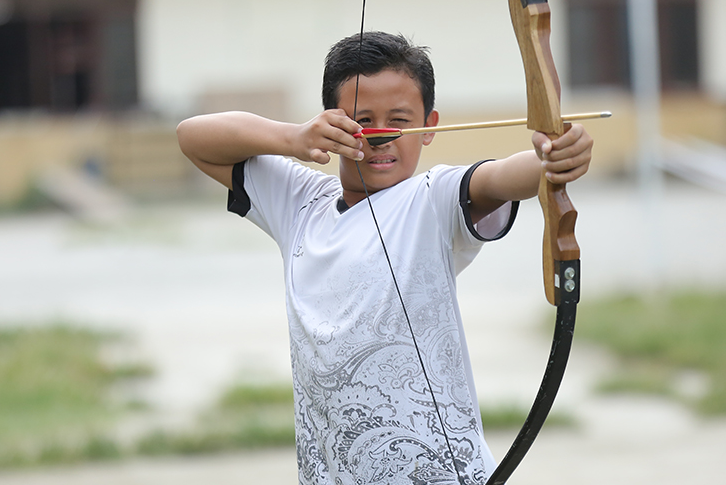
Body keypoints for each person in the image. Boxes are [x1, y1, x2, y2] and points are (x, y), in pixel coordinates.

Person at [177, 31, 592, 485]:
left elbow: (497, 179)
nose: (379, 136)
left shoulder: (431, 199)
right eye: (361, 120)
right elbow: (192, 137)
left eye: (399, 119)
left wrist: (553, 160)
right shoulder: (299, 201)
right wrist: (293, 138)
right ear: (331, 122)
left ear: (430, 125)